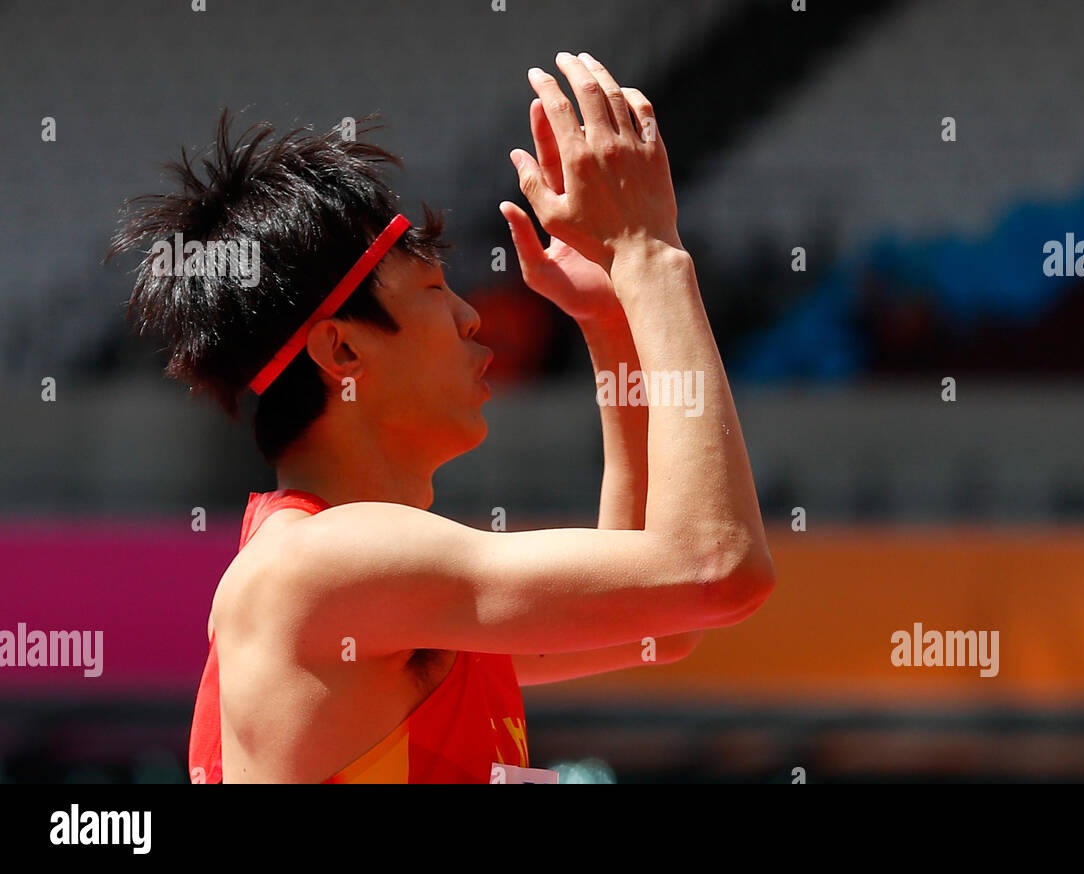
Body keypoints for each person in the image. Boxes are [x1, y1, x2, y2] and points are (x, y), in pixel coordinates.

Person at [108, 51, 774, 783]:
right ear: (341, 348)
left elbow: (663, 623)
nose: (469, 316)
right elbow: (716, 569)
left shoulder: (371, 586)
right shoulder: (325, 567)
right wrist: (650, 256)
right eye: (432, 287)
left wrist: (611, 323)